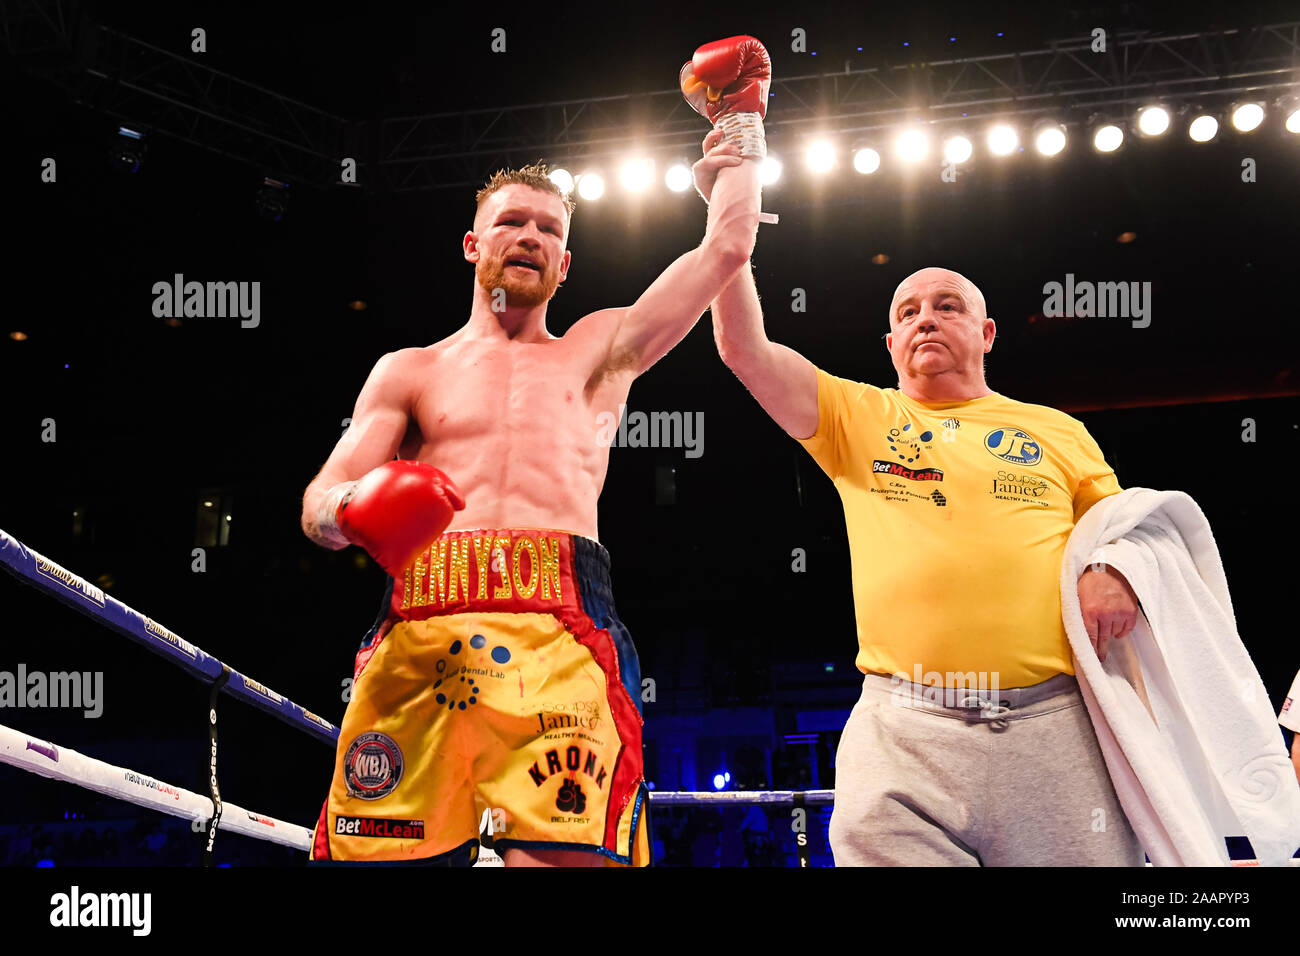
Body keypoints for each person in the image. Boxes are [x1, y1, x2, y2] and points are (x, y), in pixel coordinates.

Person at [299, 36, 769, 867]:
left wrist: (741, 133)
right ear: (472, 245)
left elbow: (725, 250)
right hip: (422, 627)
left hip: (562, 628)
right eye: (510, 223)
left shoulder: (599, 351)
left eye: (548, 229)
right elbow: (318, 504)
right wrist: (354, 508)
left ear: (565, 261)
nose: (529, 236)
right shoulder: (409, 370)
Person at [704, 237, 1146, 863]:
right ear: (891, 345)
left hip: (1053, 726)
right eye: (908, 312)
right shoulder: (856, 414)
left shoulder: (1058, 430)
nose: (926, 319)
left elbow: (1127, 527)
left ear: (986, 334)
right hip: (902, 732)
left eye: (947, 306)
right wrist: (730, 222)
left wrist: (1110, 567)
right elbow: (743, 349)